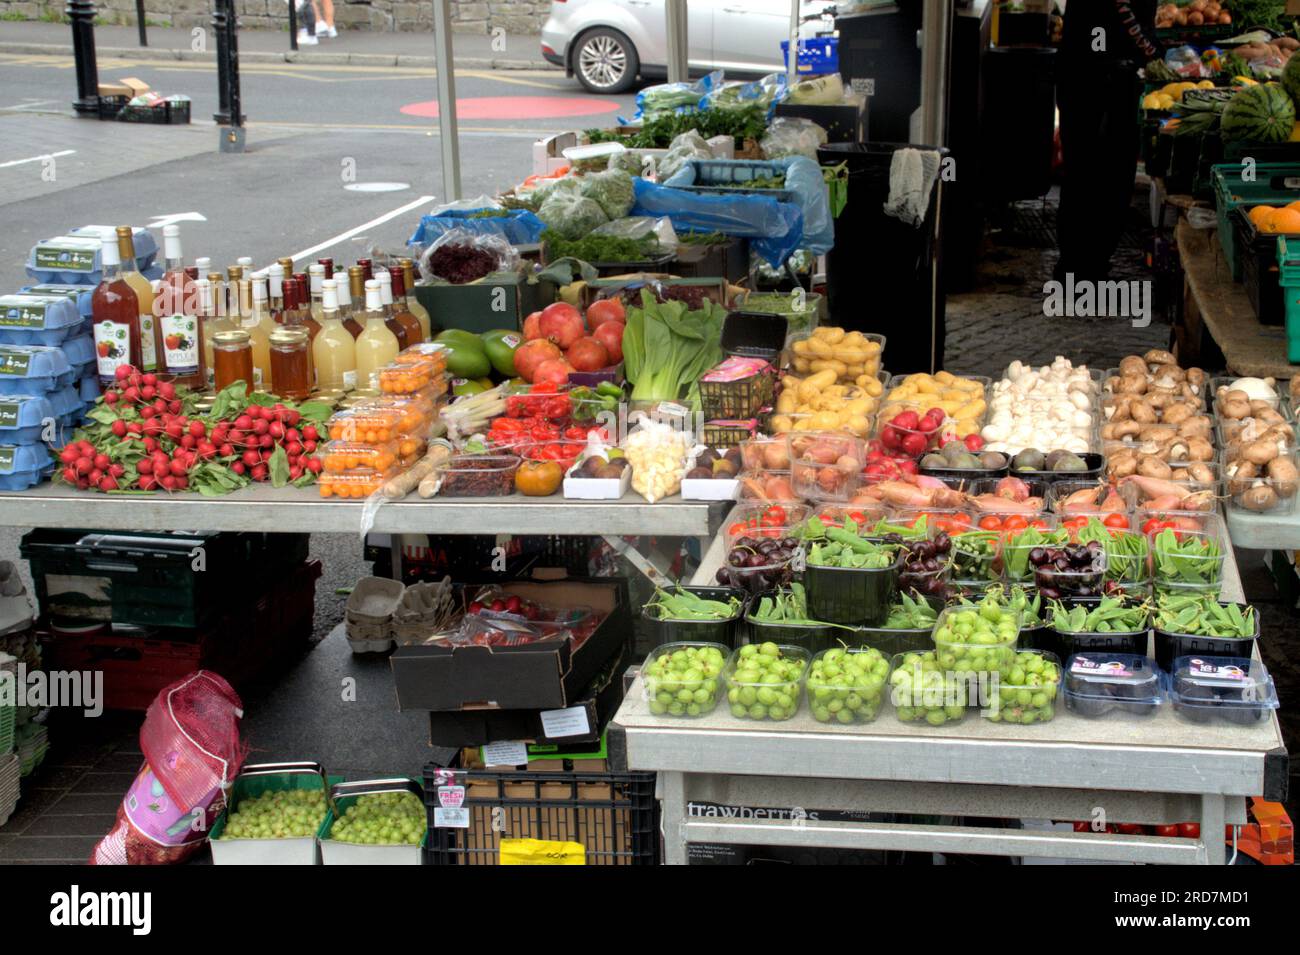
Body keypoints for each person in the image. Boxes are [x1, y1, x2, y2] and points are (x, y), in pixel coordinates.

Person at [1056, 0, 1160, 281]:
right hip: (1105, 80)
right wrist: (1156, 52)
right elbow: (1129, 23)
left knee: (1083, 174)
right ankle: (1085, 267)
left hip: (1084, 75)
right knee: (1106, 175)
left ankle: (1079, 265)